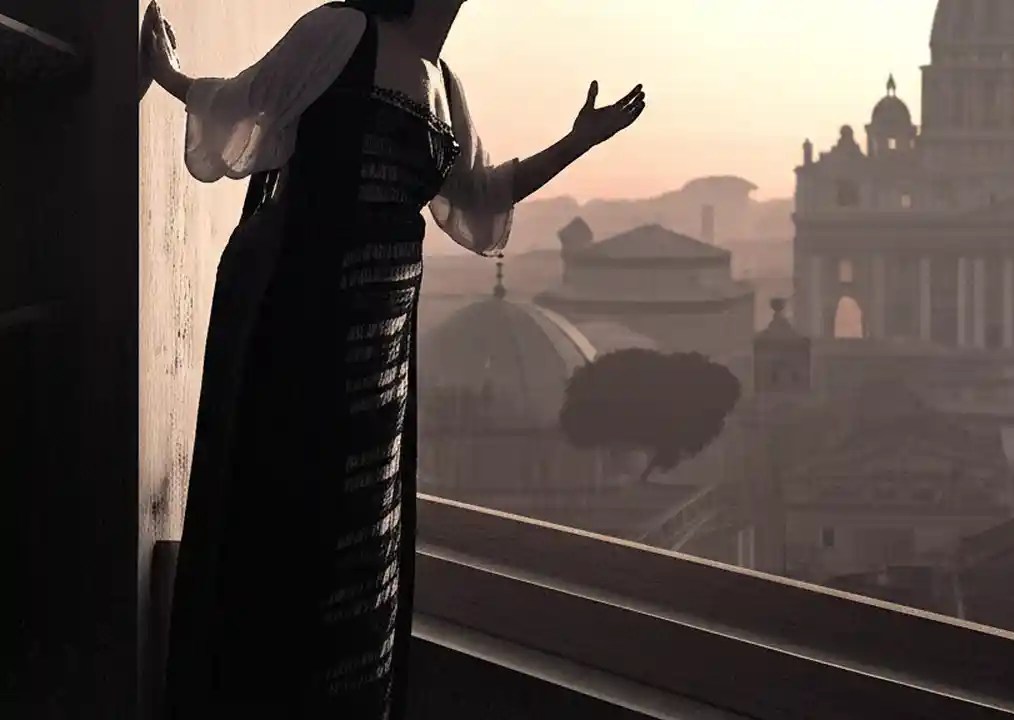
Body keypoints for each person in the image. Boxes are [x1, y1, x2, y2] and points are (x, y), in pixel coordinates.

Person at [141, 1, 645, 717]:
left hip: (379, 366)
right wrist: (168, 74)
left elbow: (478, 198)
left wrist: (578, 142)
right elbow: (246, 109)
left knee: (360, 554)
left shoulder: (446, 85)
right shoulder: (341, 33)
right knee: (292, 541)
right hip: (303, 339)